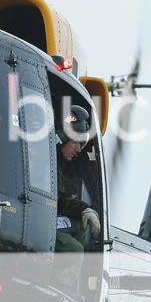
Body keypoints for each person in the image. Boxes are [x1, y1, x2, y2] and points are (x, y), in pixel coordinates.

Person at [54, 104, 102, 258]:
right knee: (74, 250)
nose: (79, 149)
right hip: (38, 220)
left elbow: (60, 199)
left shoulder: (56, 164)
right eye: (76, 142)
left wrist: (84, 210)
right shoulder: (43, 160)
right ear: (62, 136)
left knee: (80, 224)